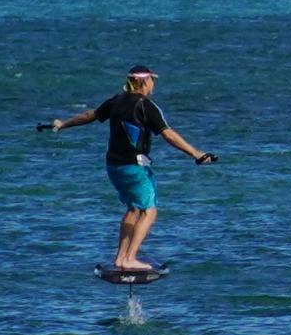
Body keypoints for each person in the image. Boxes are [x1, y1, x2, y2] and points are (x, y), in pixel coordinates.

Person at [36, 65, 215, 277]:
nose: (153, 84)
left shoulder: (116, 101)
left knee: (133, 208)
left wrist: (63, 124)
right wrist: (196, 154)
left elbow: (88, 115)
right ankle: (130, 258)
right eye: (152, 80)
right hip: (134, 168)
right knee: (149, 211)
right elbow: (168, 135)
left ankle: (121, 257)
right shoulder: (146, 106)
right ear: (145, 82)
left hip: (114, 167)